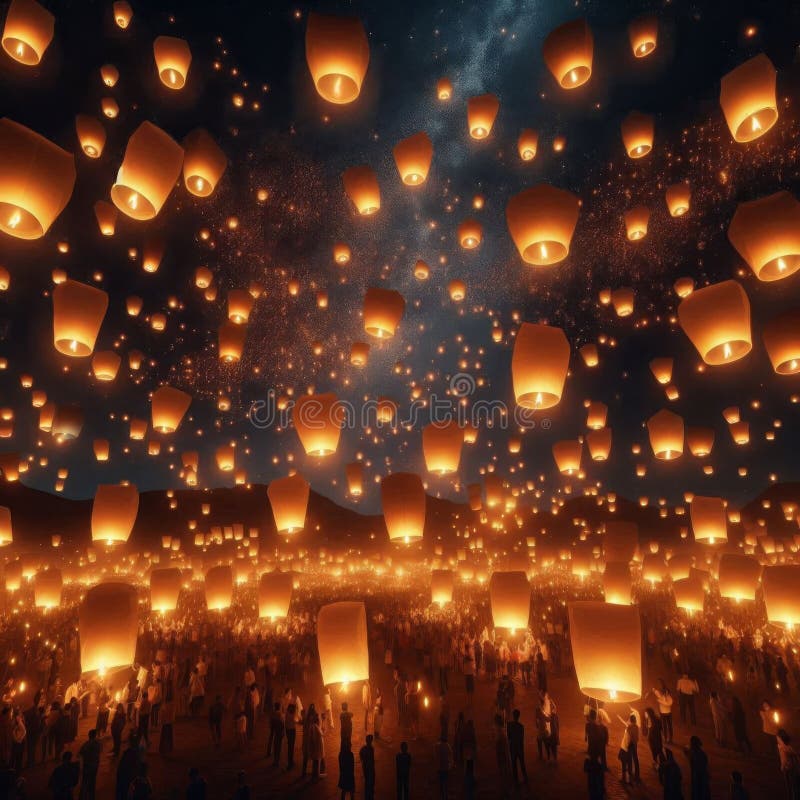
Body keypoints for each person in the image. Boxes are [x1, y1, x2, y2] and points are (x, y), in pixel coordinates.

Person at [683, 736, 710, 800]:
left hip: (698, 776)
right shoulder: (701, 754)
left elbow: (686, 750)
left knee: (699, 792)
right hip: (700, 776)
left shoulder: (695, 754)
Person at [776, 729, 800, 800]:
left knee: (795, 788)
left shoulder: (787, 748)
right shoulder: (783, 747)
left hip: (793, 770)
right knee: (793, 788)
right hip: (790, 770)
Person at [77, 729, 101, 800]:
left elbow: (80, 753)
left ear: (89, 735)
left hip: (87, 765)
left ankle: (82, 797)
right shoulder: (98, 744)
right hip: (95, 765)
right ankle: (91, 796)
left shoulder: (87, 744)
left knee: (85, 782)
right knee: (92, 781)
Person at [617, 712, 640, 782]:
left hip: (628, 745)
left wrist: (626, 746)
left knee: (626, 760)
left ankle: (626, 776)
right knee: (634, 759)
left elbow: (627, 738)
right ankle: (635, 775)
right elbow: (636, 738)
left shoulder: (629, 728)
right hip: (634, 745)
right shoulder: (636, 727)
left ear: (630, 720)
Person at [507, 708, 527, 783]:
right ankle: (525, 778)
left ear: (513, 716)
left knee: (514, 764)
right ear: (519, 716)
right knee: (522, 764)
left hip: (513, 748)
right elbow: (522, 739)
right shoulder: (521, 726)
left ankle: (516, 781)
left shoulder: (509, 726)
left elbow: (508, 737)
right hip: (520, 747)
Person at [434, 733, 452, 800]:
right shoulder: (447, 746)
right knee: (446, 782)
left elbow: (435, 755)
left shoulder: (437, 746)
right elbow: (450, 755)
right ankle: (446, 796)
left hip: (440, 767)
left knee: (441, 782)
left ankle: (441, 795)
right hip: (446, 766)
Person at [359, 734, 376, 800]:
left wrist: (363, 761)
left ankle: (367, 795)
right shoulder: (371, 749)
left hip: (366, 767)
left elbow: (361, 756)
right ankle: (370, 795)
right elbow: (371, 759)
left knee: (367, 781)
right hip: (370, 768)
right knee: (371, 782)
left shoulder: (363, 749)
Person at [268, 702, 284, 767]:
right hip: (278, 731)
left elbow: (270, 720)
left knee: (272, 739)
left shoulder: (273, 713)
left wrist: (271, 726)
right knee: (278, 746)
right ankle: (276, 761)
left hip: (273, 728)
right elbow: (282, 723)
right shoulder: (280, 714)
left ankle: (269, 751)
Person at [285, 703, 297, 769]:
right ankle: (290, 762)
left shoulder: (289, 713)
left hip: (290, 730)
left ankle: (291, 761)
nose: (294, 709)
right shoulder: (289, 714)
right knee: (290, 746)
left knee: (291, 746)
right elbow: (295, 720)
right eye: (293, 708)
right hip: (291, 731)